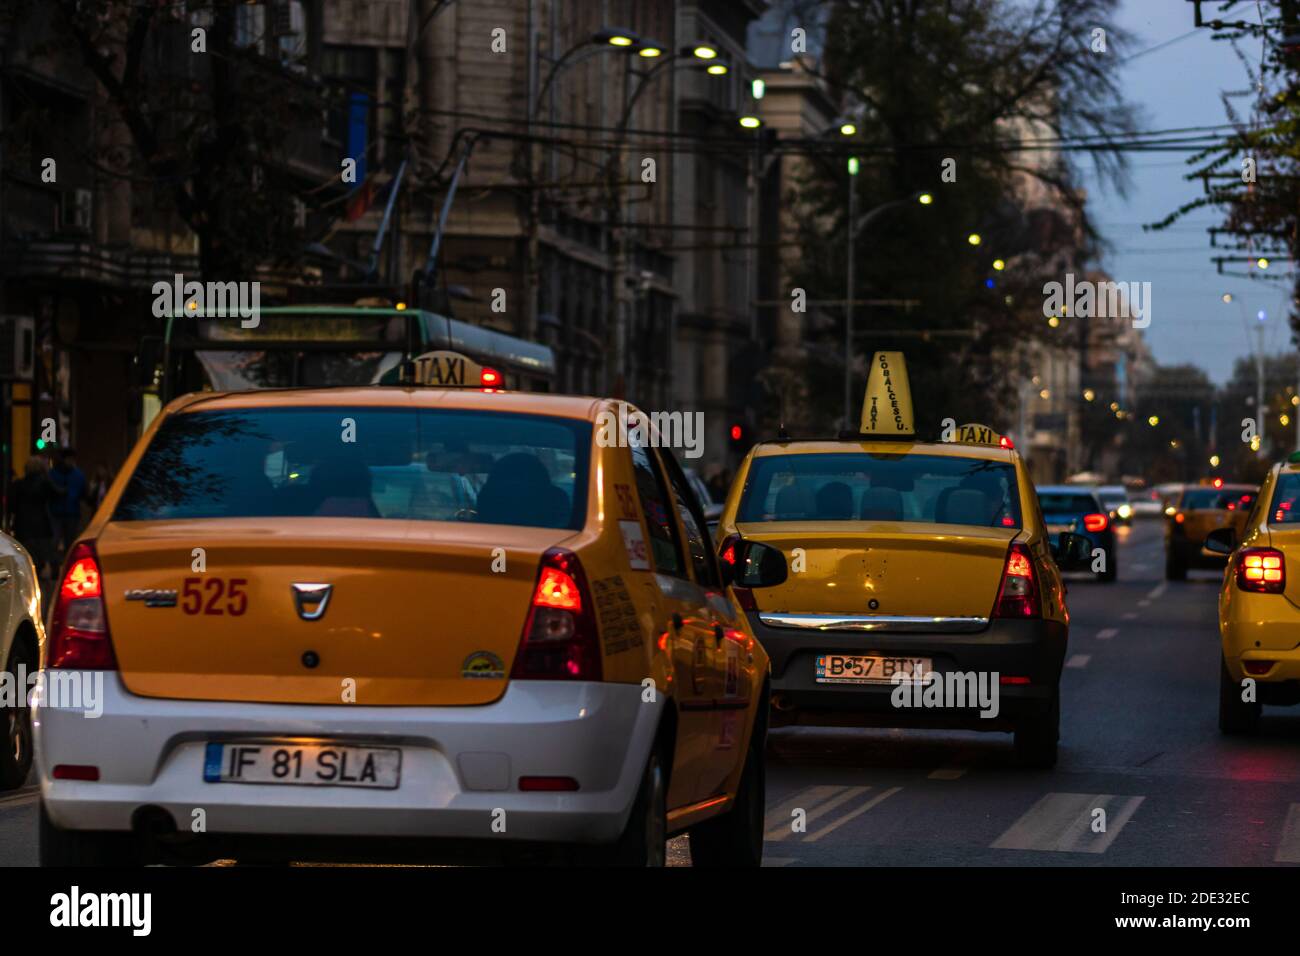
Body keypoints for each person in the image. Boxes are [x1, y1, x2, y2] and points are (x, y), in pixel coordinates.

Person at [7, 456, 59, 596]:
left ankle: (27, 592)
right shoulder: (44, 483)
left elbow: (11, 506)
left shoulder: (18, 485)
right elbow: (59, 494)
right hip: (42, 528)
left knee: (26, 561)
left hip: (22, 528)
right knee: (43, 561)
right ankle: (43, 594)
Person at [48, 448, 87, 556]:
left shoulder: (54, 474)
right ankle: (56, 566)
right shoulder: (77, 475)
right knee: (59, 541)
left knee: (66, 541)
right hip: (63, 512)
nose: (70, 462)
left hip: (68, 512)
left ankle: (58, 565)